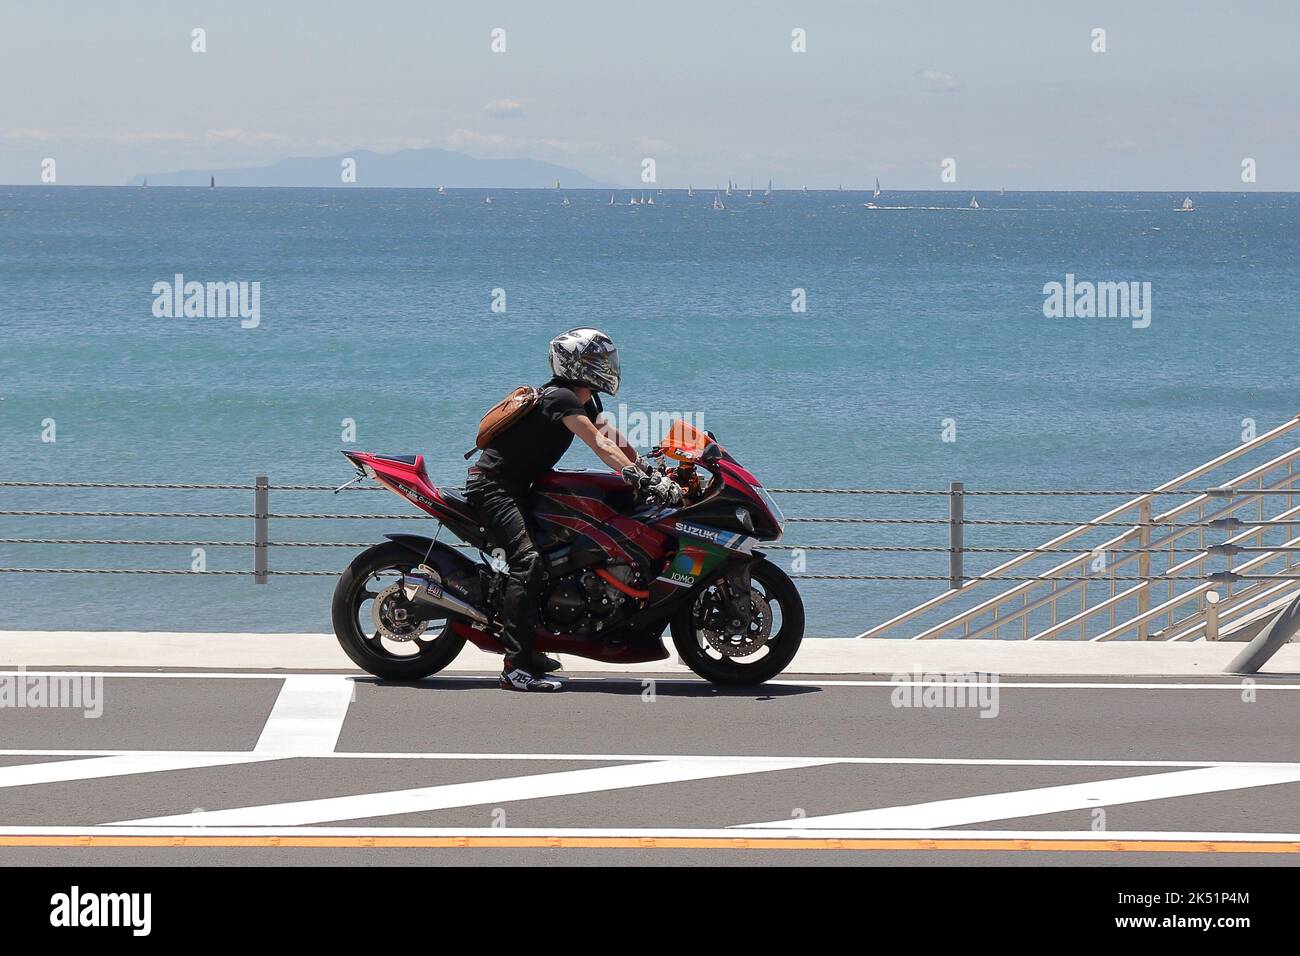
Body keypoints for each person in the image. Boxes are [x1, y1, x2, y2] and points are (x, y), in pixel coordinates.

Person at [465, 328, 682, 692]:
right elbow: (597, 444)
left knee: (555, 561)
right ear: (579, 364)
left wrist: (649, 472)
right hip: (495, 488)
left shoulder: (586, 400)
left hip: (523, 488)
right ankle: (516, 667)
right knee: (528, 562)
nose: (608, 366)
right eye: (601, 361)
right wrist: (631, 474)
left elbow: (613, 438)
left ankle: (536, 644)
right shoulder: (561, 398)